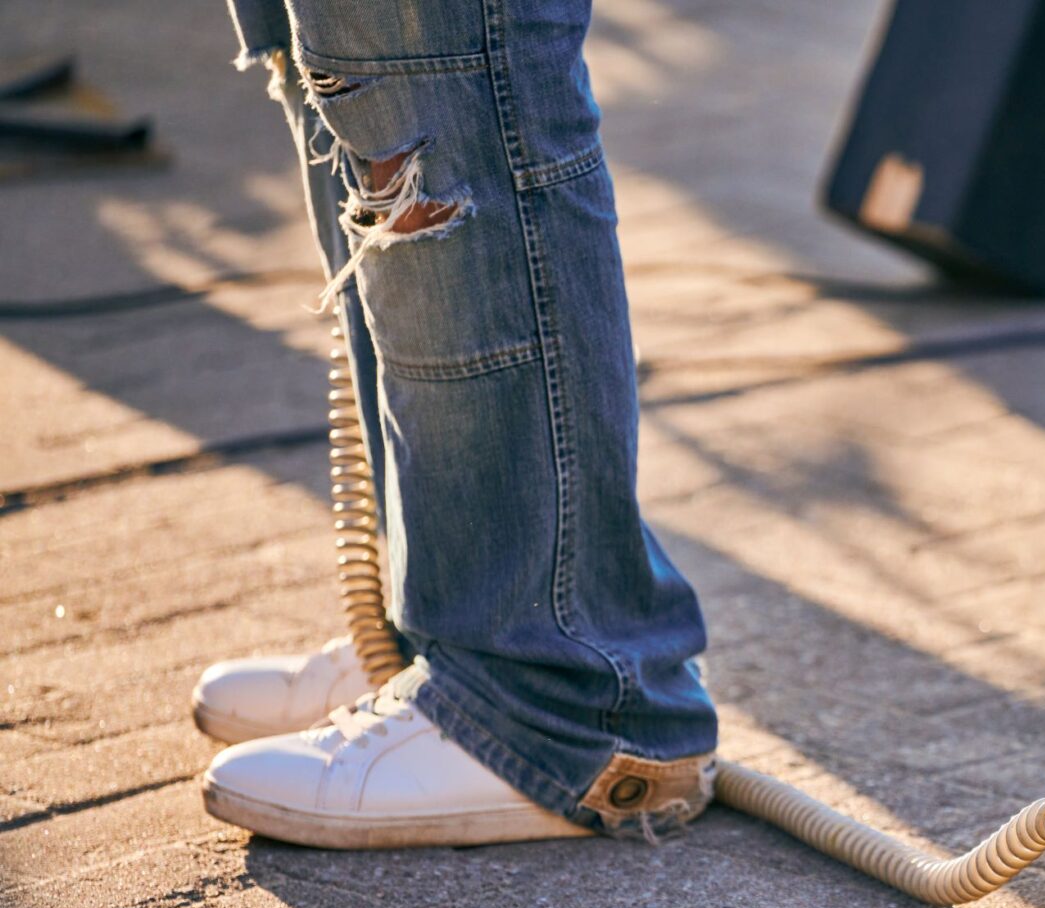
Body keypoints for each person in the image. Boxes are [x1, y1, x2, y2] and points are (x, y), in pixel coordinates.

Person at [195, 0, 718, 848]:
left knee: (447, 68)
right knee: (342, 62)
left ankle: (553, 698)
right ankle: (451, 621)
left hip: (563, 720)